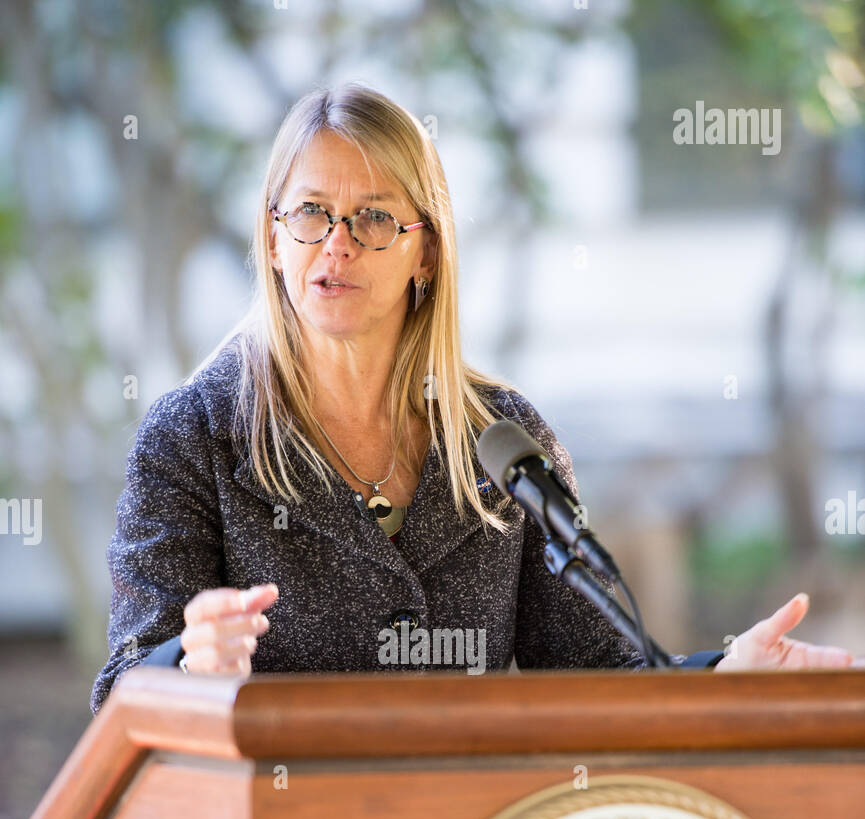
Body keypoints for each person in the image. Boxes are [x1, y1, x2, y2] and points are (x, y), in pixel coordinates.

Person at [90, 84, 855, 717]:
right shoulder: (192, 438)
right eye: (311, 212)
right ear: (272, 240)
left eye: (374, 217)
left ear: (425, 251)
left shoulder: (503, 438)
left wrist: (725, 677)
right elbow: (121, 690)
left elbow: (594, 676)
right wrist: (188, 664)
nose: (336, 243)